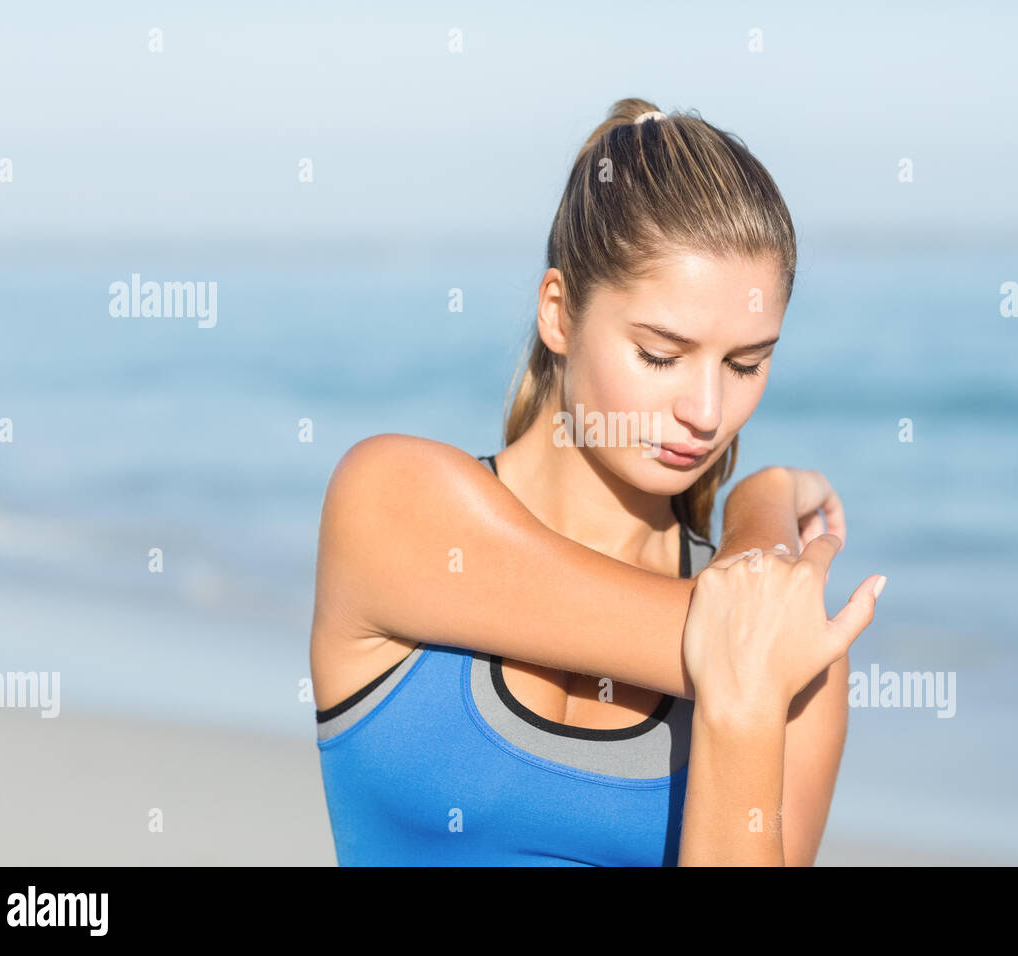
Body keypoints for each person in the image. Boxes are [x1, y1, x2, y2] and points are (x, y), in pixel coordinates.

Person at [309, 98, 885, 865]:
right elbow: (732, 633)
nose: (707, 412)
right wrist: (760, 503)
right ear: (559, 312)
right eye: (660, 354)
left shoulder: (800, 651)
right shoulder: (391, 503)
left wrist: (755, 528)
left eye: (745, 364)